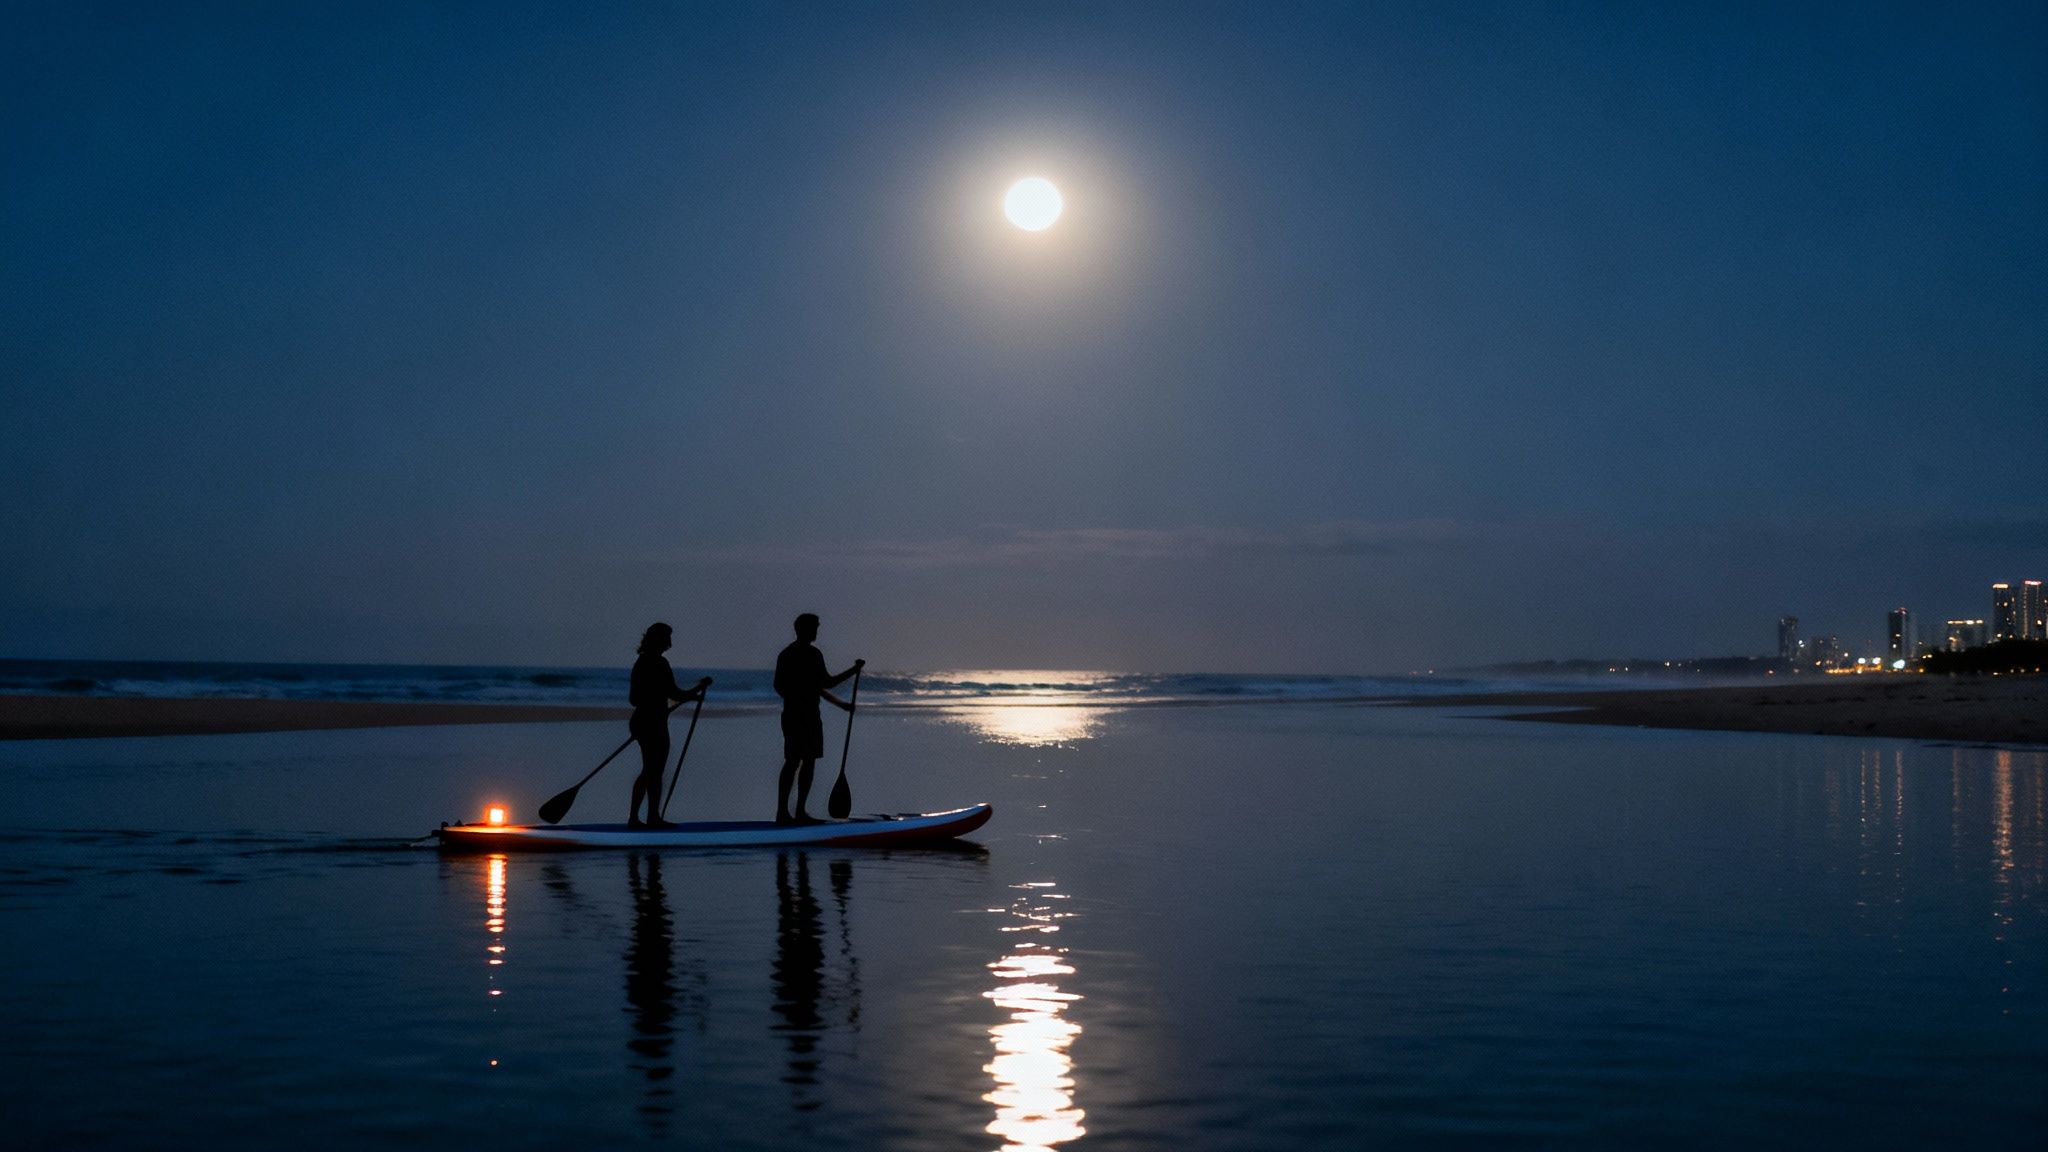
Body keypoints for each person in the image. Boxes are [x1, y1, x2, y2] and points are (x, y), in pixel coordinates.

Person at [773, 613, 862, 824]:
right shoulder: (808, 655)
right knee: (796, 761)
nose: (815, 632)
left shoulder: (789, 654)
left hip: (801, 715)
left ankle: (794, 812)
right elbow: (827, 682)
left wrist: (841, 705)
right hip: (802, 716)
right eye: (813, 628)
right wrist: (854, 670)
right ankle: (786, 813)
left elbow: (815, 686)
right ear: (802, 629)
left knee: (804, 762)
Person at [628, 622, 710, 827]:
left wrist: (693, 694)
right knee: (653, 771)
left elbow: (635, 699)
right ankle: (649, 818)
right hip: (652, 724)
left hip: (641, 722)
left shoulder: (640, 662)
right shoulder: (658, 663)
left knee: (651, 770)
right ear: (660, 640)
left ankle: (639, 818)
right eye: (667, 638)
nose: (670, 643)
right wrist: (697, 690)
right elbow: (673, 693)